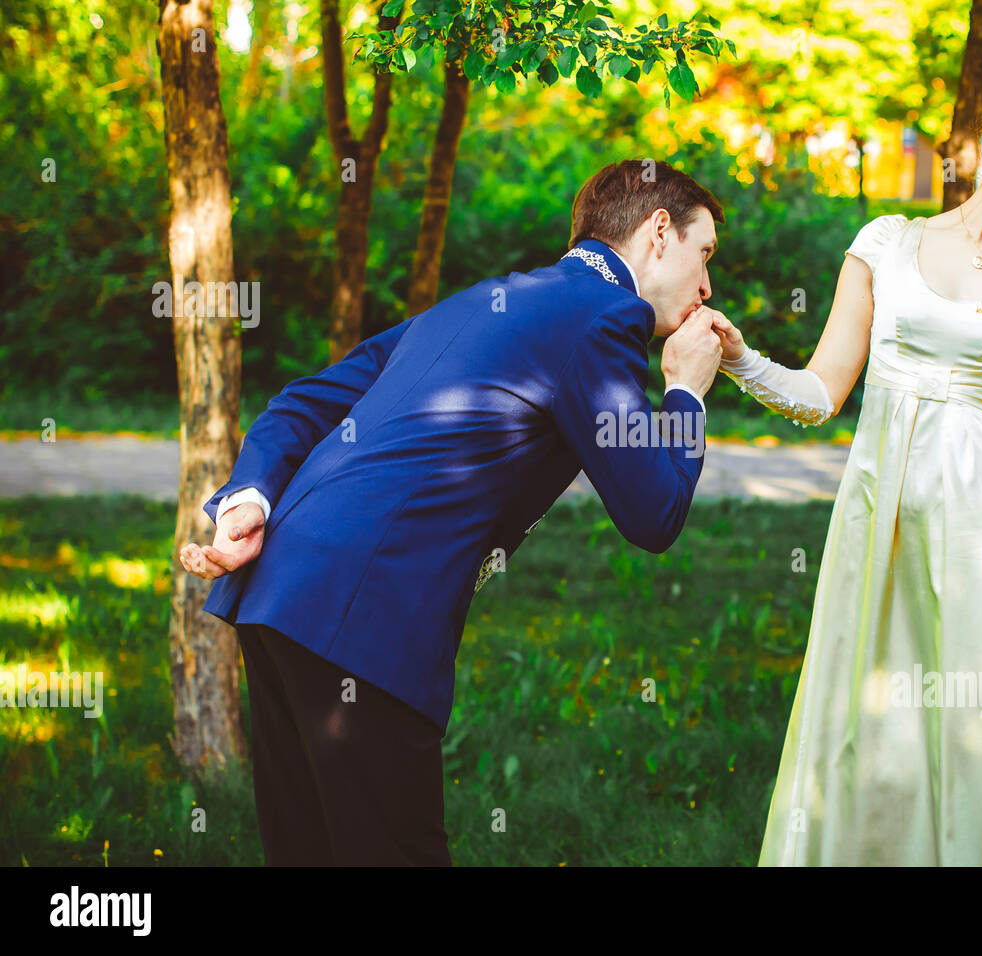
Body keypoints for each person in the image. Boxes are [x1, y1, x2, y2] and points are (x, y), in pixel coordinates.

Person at [178, 160, 727, 865]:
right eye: (703, 253)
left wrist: (249, 500)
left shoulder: (477, 301)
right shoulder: (604, 314)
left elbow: (301, 401)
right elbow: (655, 513)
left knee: (308, 848)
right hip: (365, 613)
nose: (708, 285)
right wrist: (685, 394)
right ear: (658, 232)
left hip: (277, 594)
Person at [710, 41, 982, 865]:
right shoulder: (886, 244)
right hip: (880, 539)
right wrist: (736, 355)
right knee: (873, 740)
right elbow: (819, 393)